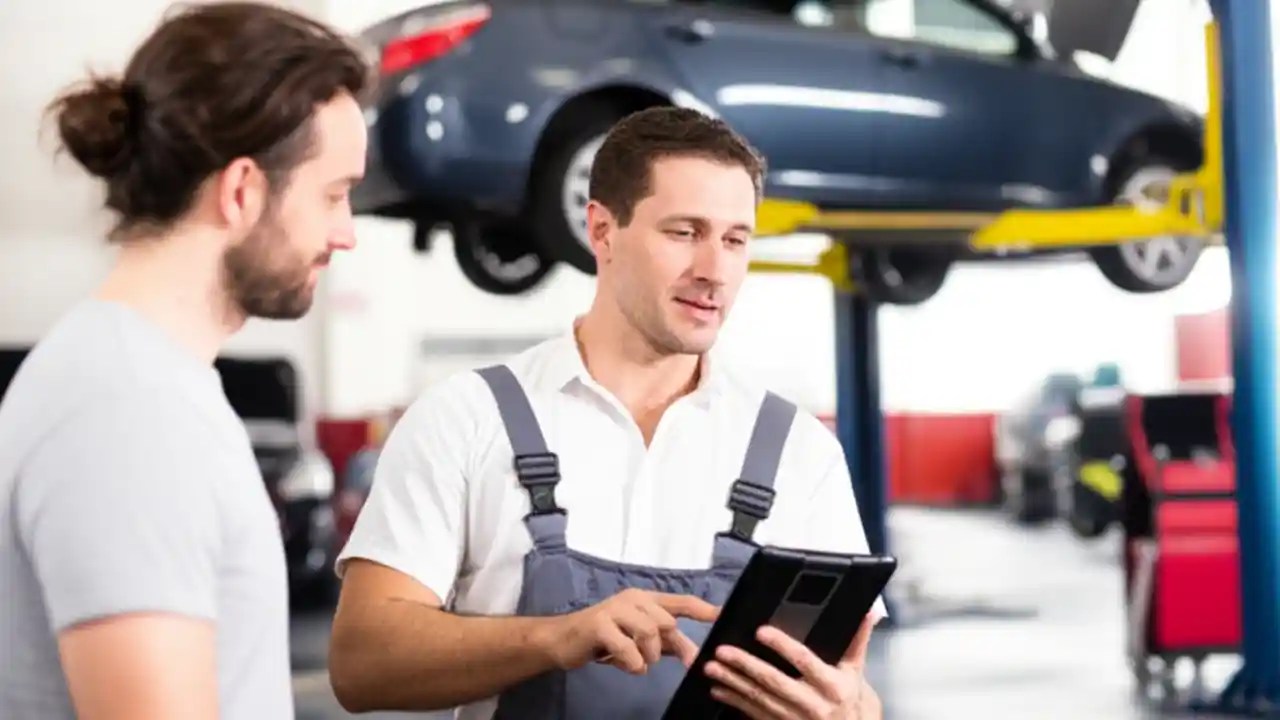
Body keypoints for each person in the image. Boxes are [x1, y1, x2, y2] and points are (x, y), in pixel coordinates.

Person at [329, 106, 887, 720]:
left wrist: (847, 713)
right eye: (684, 232)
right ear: (601, 231)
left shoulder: (800, 451)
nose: (714, 272)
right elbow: (362, 665)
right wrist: (556, 636)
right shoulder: (465, 419)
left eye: (735, 240)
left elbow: (851, 689)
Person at [0, 3, 370, 718]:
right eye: (334, 196)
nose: (346, 233)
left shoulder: (144, 384)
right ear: (242, 191)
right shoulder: (128, 416)